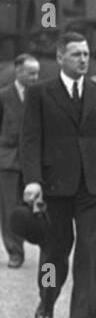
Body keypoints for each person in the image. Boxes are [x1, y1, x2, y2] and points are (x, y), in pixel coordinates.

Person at [20, 31, 96, 318]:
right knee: (54, 252)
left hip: (94, 186)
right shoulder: (41, 94)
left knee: (89, 253)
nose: (84, 59)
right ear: (60, 58)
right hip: (55, 185)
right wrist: (33, 181)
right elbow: (30, 141)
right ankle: (48, 296)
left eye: (86, 54)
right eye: (77, 54)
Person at [1, 54, 40, 268]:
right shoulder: (4, 96)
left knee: (33, 206)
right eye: (30, 73)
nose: (35, 77)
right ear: (18, 71)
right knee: (9, 207)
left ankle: (34, 240)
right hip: (8, 161)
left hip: (33, 160)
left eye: (37, 73)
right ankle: (14, 251)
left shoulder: (41, 96)